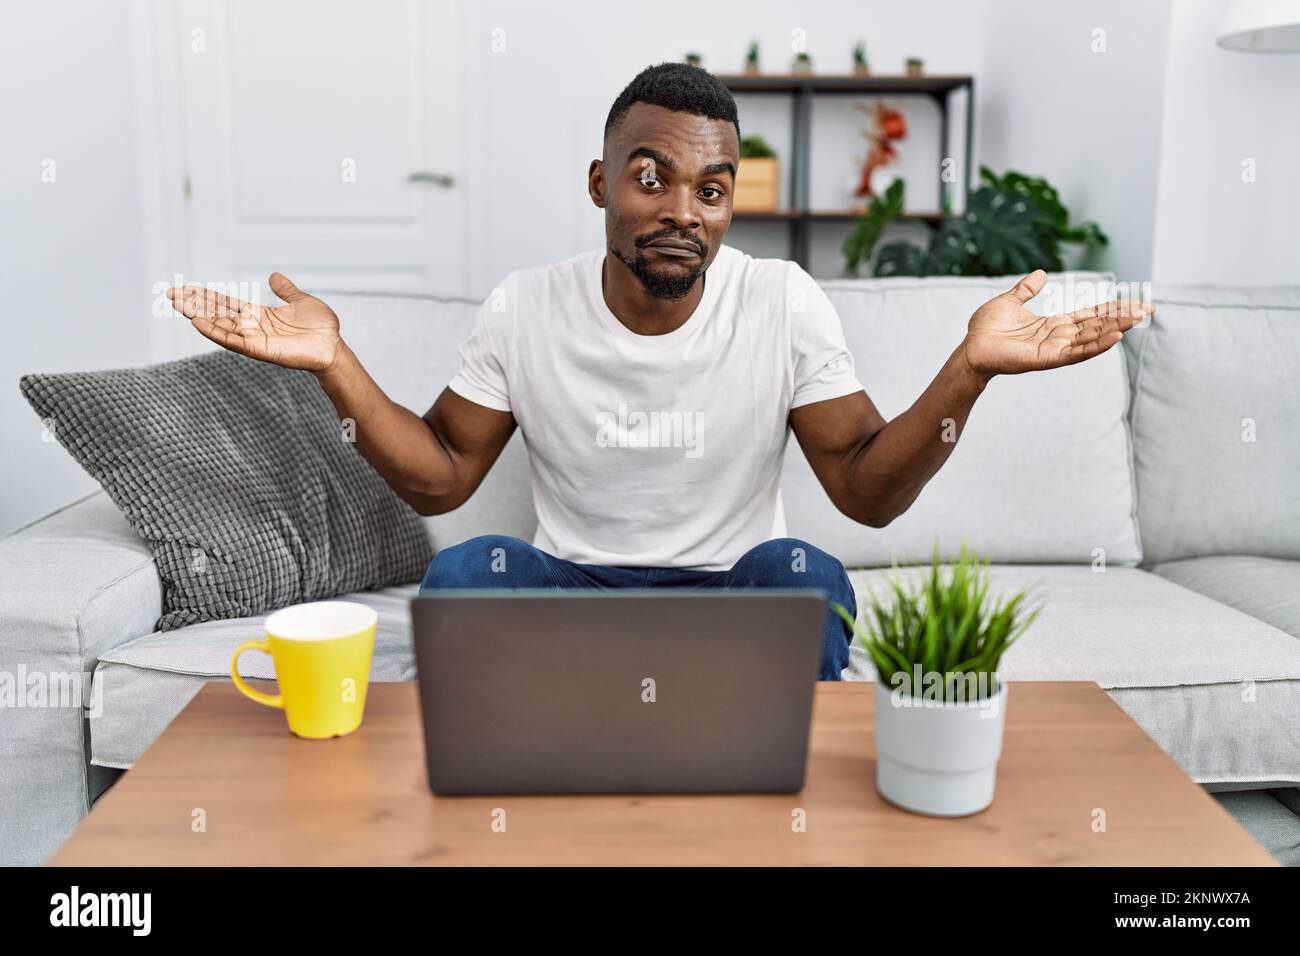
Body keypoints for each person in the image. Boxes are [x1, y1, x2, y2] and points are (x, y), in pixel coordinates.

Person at [167, 62, 1152, 680]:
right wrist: (333, 361)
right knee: (467, 572)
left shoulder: (780, 301)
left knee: (808, 575)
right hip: (573, 586)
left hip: (731, 590)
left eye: (711, 189)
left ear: (730, 204)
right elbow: (441, 472)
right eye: (652, 177)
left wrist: (966, 371)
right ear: (602, 183)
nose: (684, 208)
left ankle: (734, 753)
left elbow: (866, 494)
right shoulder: (524, 305)